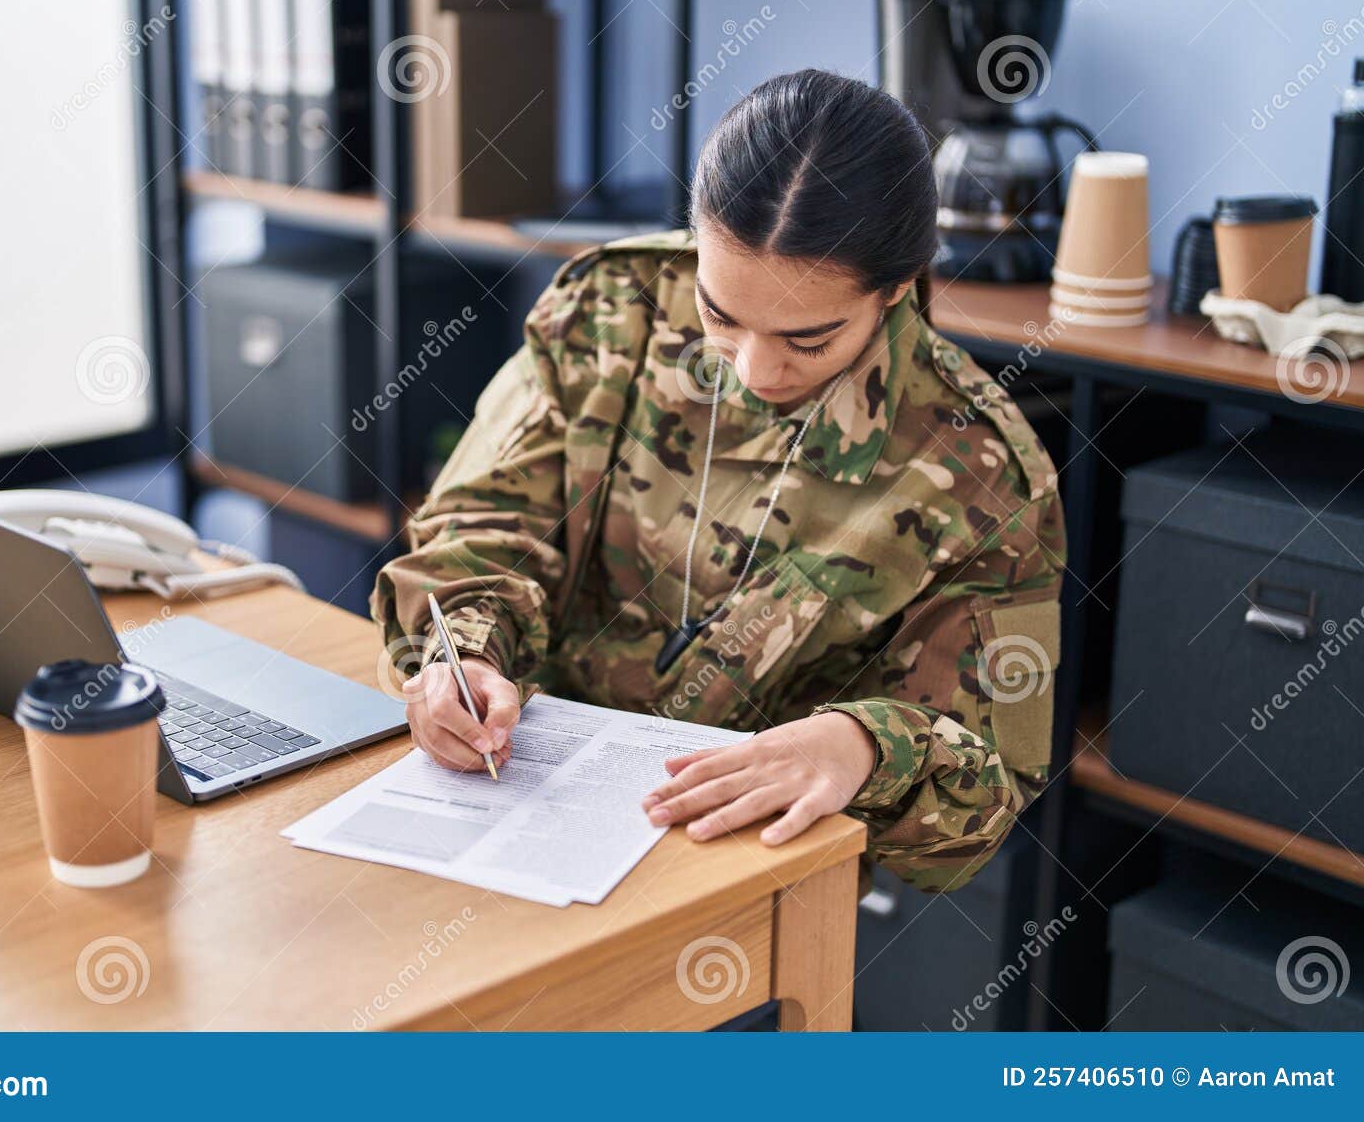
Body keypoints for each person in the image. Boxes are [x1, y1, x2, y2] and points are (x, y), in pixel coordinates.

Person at [374, 69, 1065, 892]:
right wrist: (467, 655)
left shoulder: (983, 476)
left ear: (896, 286)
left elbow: (992, 780)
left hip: (738, 876)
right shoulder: (611, 309)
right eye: (719, 315)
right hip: (514, 811)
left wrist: (864, 747)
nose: (755, 367)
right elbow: (480, 518)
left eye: (808, 340)